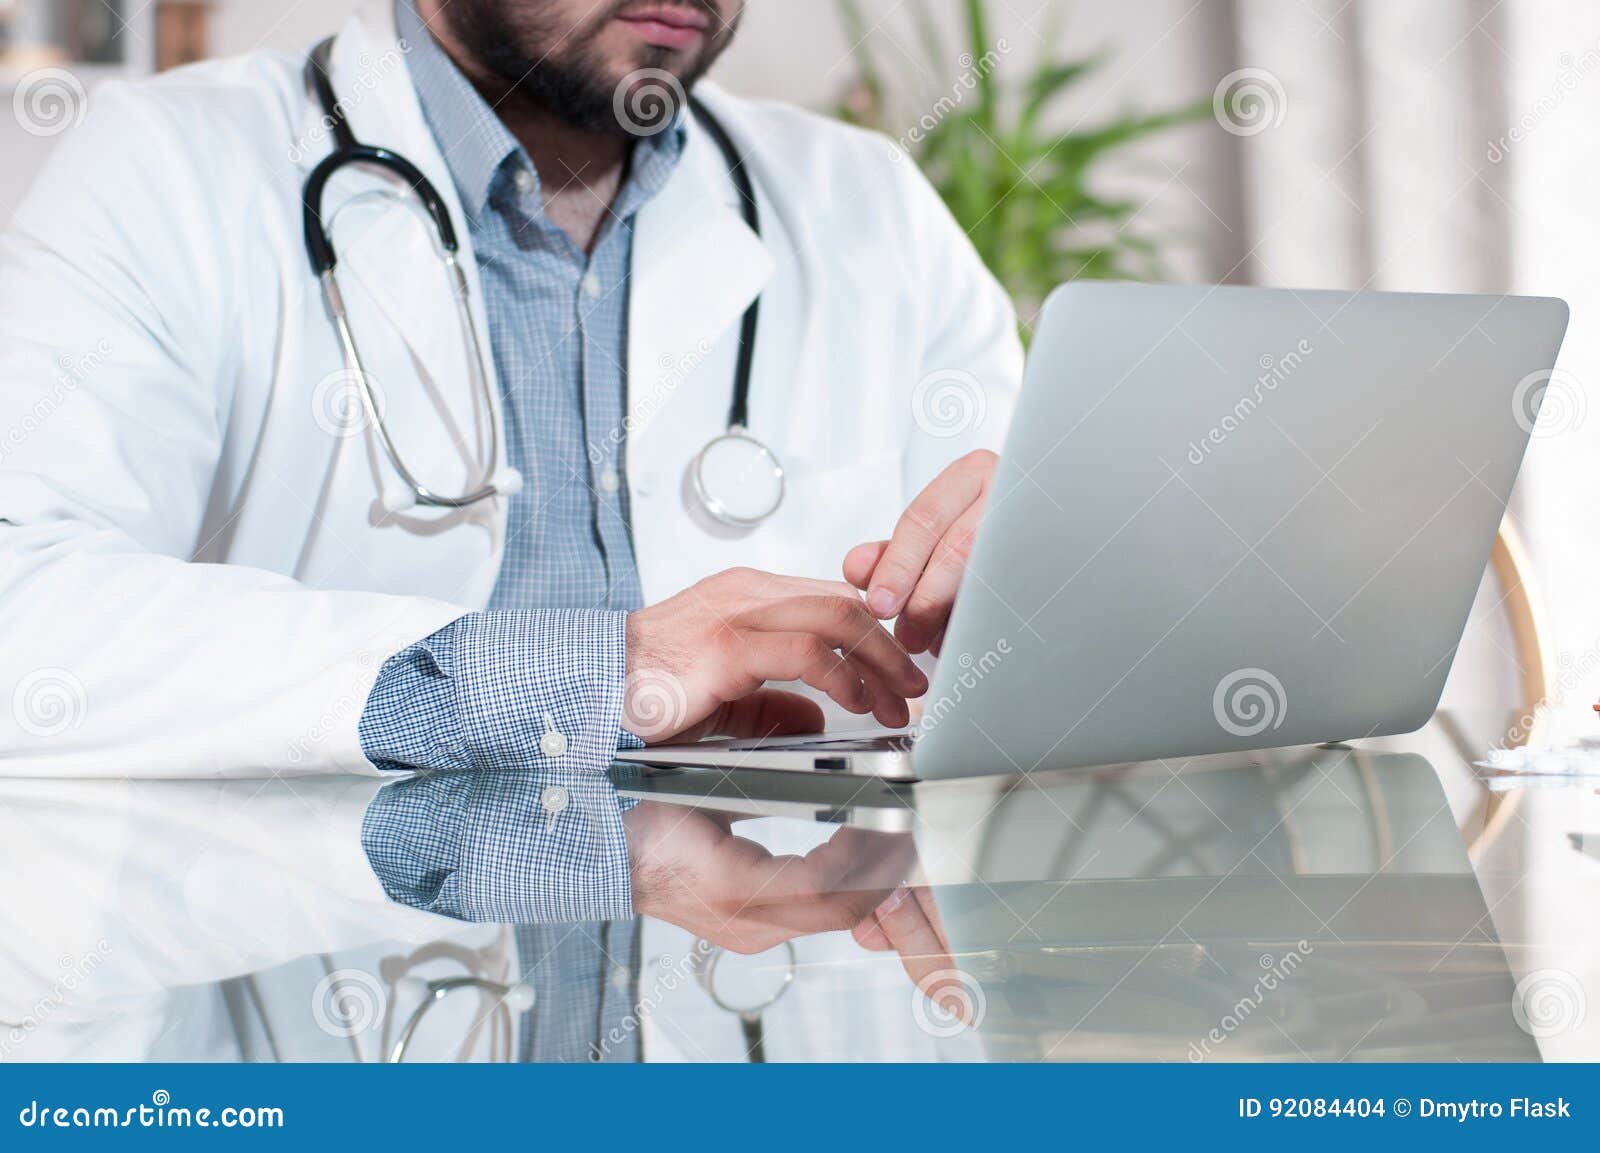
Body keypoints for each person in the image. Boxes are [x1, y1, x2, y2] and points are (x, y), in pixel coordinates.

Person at [0, 0, 1021, 1060]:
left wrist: (1042, 588)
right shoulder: (169, 167)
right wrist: (586, 670)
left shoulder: (868, 205)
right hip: (295, 981)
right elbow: (21, 609)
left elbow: (1022, 648)